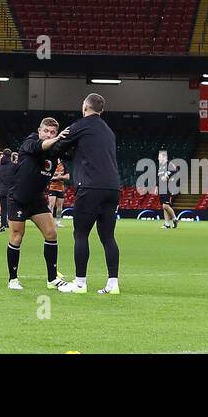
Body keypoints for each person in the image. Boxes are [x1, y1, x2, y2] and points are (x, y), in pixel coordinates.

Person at [52, 94, 121, 296]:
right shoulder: (109, 131)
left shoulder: (81, 125)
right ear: (102, 110)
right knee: (108, 236)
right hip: (113, 188)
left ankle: (80, 283)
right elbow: (88, 152)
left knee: (81, 234)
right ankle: (113, 283)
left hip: (90, 187)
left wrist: (57, 144)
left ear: (84, 107)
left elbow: (58, 147)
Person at [5, 118, 66, 290]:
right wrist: (57, 138)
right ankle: (13, 280)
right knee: (17, 236)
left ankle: (52, 279)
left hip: (37, 199)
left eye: (52, 132)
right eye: (46, 131)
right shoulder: (30, 143)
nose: (48, 134)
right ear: (39, 130)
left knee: (51, 234)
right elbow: (40, 146)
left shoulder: (55, 151)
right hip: (18, 198)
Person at [0, 148, 16, 234]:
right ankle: (13, 225)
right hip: (11, 190)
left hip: (1, 190)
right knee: (12, 209)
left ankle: (2, 225)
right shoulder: (14, 166)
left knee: (3, 209)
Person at [157, 149, 179, 229]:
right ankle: (167, 224)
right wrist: (157, 186)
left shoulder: (169, 164)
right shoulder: (161, 167)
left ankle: (175, 219)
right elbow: (159, 178)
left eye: (159, 157)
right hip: (162, 188)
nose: (158, 158)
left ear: (164, 157)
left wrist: (167, 176)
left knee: (165, 205)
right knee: (164, 207)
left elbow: (175, 171)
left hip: (169, 187)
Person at [47, 161, 68, 226]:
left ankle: (58, 222)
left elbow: (67, 176)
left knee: (60, 207)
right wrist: (58, 176)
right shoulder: (52, 163)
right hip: (52, 188)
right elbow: (49, 176)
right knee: (51, 205)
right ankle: (49, 222)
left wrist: (59, 176)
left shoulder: (63, 164)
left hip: (61, 189)